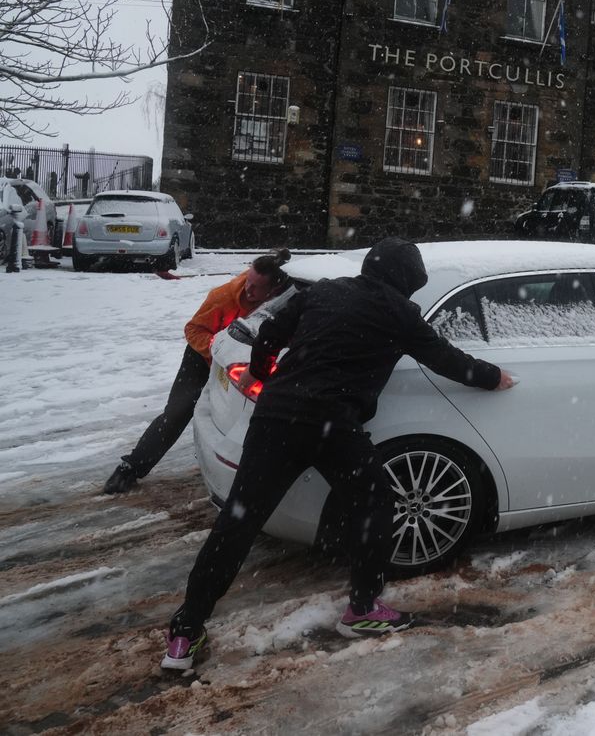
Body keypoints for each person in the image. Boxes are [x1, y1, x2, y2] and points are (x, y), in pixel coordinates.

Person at [161, 238, 516, 671]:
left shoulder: (324, 291)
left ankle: (185, 632)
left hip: (276, 418)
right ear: (406, 281)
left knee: (238, 521)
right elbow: (447, 360)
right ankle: (364, 609)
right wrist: (492, 376)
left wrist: (262, 370)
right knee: (376, 502)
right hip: (333, 426)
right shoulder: (401, 314)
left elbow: (271, 332)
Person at [103, 249, 293, 494]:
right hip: (202, 354)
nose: (248, 290)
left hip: (243, 359)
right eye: (248, 281)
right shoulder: (223, 297)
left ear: (274, 291)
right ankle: (130, 467)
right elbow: (193, 329)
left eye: (256, 287)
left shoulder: (285, 296)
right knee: (177, 412)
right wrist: (216, 349)